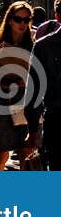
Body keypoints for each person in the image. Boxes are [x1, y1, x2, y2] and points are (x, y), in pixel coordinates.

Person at [0, 1, 40, 171]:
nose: (22, 24)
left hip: (27, 105)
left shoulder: (35, 46)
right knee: (0, 157)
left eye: (27, 20)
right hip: (1, 105)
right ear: (10, 20)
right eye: (18, 19)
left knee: (26, 153)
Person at [32, 9, 61, 170]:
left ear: (57, 16)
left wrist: (33, 128)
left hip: (54, 117)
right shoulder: (43, 46)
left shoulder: (43, 46)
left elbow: (34, 90)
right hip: (54, 116)